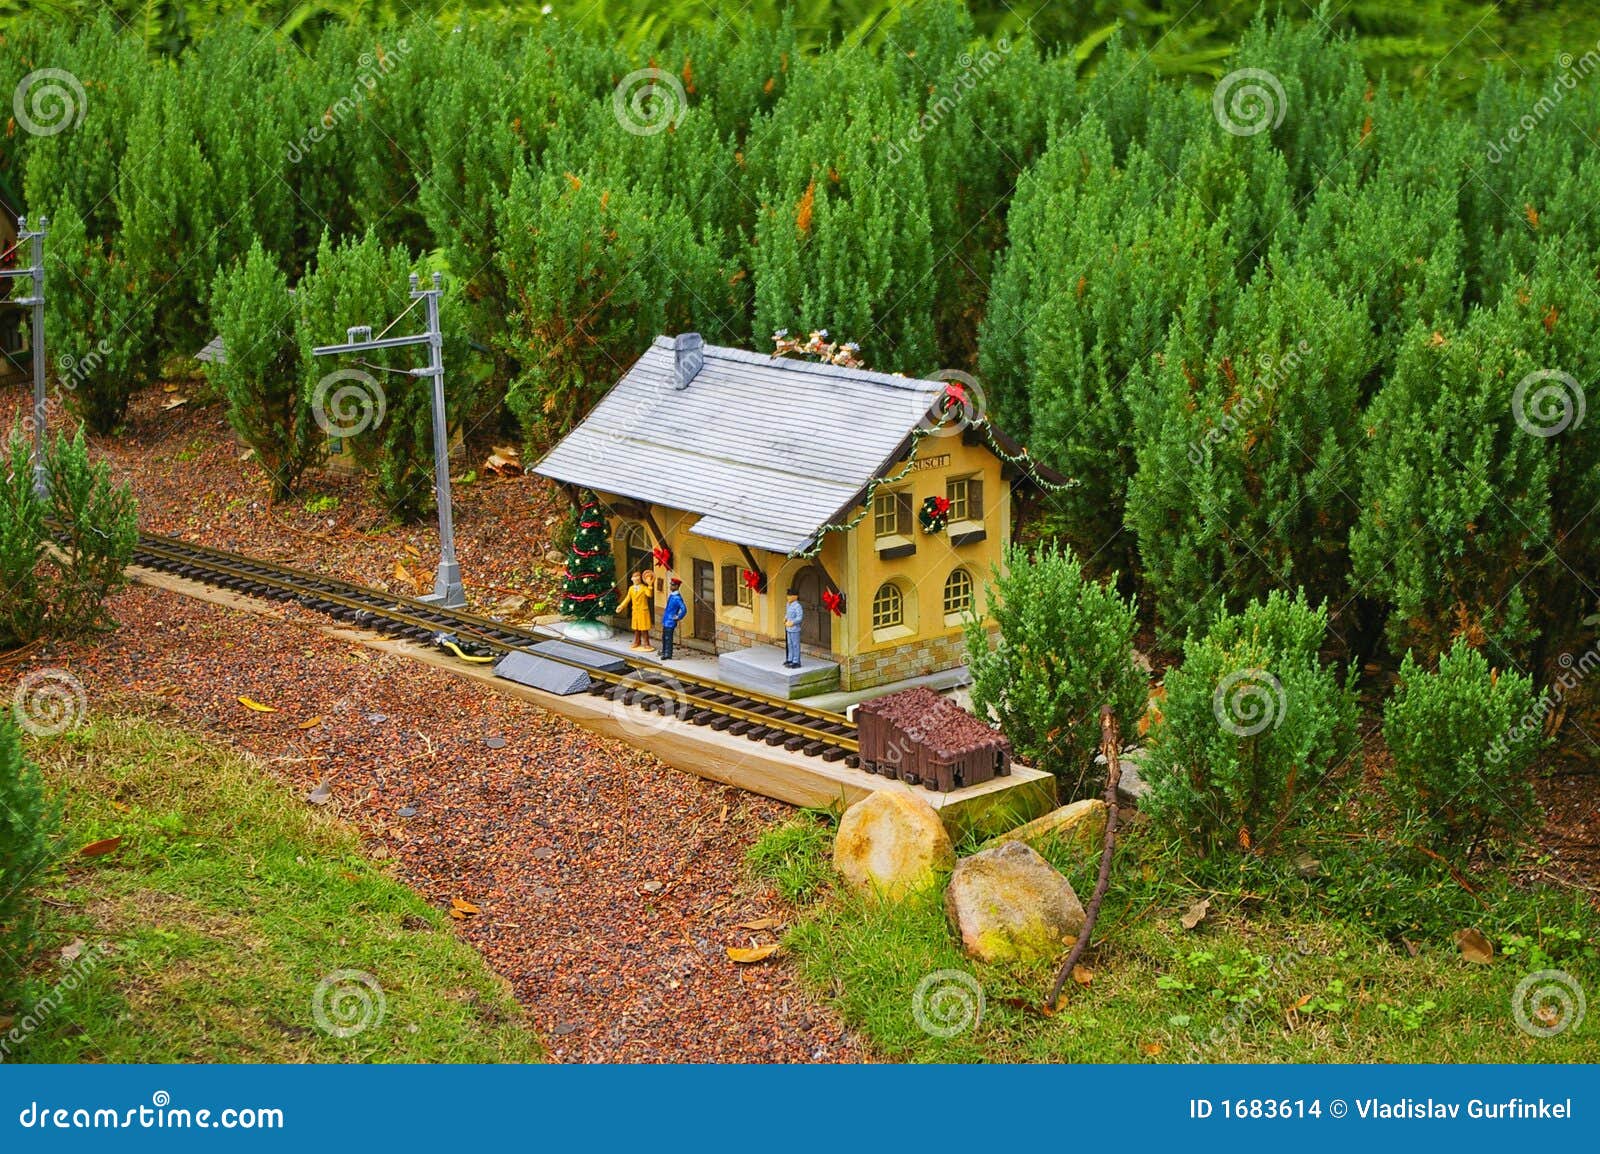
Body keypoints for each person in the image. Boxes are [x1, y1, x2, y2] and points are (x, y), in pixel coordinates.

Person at [622, 569, 654, 649]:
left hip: (643, 611)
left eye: (637, 577)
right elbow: (627, 598)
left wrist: (650, 585)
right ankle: (637, 641)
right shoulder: (631, 589)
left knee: (644, 629)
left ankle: (646, 643)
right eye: (634, 577)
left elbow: (649, 595)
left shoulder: (644, 588)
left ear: (640, 579)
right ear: (632, 579)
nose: (636, 579)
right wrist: (621, 606)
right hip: (635, 611)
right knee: (636, 629)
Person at [660, 576, 686, 659]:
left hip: (670, 621)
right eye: (671, 584)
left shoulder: (677, 598)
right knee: (664, 637)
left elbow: (684, 609)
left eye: (673, 585)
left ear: (677, 586)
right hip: (666, 619)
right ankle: (664, 651)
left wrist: (678, 617)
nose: (671, 586)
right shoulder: (672, 595)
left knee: (668, 637)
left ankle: (668, 653)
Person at [783, 587, 803, 668]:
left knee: (795, 645)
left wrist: (792, 622)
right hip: (788, 628)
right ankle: (790, 659)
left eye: (790, 596)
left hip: (795, 629)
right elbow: (788, 613)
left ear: (795, 597)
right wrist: (785, 618)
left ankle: (796, 661)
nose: (788, 597)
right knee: (789, 644)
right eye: (788, 596)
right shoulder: (788, 604)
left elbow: (799, 618)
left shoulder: (798, 606)